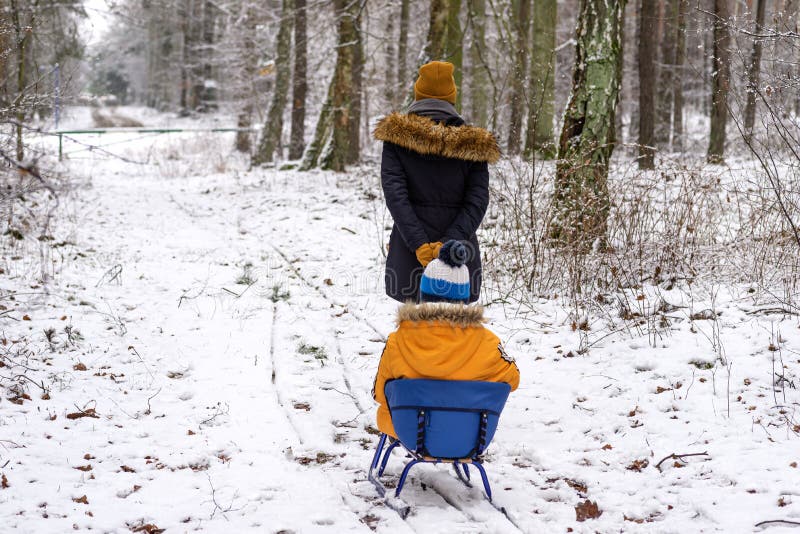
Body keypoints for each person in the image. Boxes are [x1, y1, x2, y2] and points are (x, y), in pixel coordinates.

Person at [373, 60, 500, 303]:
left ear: (418, 93)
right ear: (452, 96)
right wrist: (448, 245)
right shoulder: (475, 144)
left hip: (410, 249)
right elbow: (477, 201)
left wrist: (420, 245)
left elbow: (395, 195)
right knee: (455, 330)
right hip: (459, 250)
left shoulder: (397, 139)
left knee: (412, 329)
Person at [372, 240, 520, 439]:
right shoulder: (489, 343)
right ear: (465, 298)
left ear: (424, 295)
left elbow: (380, 394)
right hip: (468, 438)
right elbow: (513, 379)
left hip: (410, 433)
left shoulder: (397, 341)